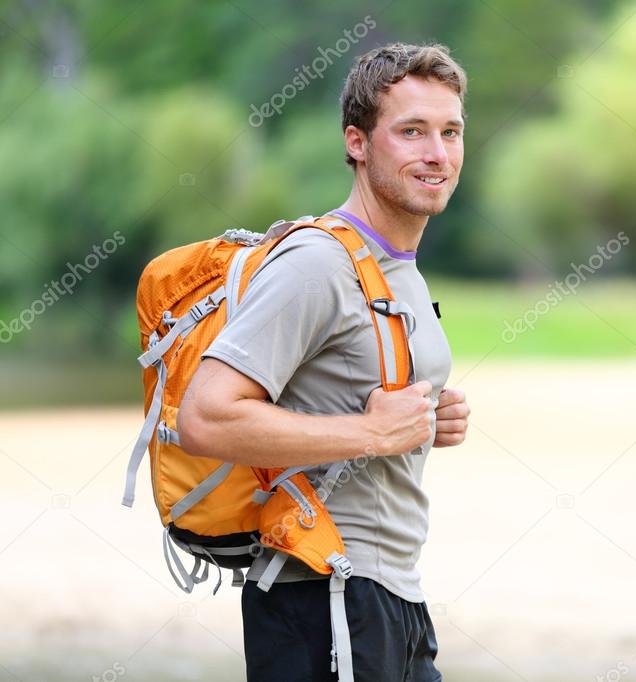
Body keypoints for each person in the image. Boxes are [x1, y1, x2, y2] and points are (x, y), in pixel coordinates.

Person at [177, 42, 471, 681]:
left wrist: (429, 418)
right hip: (324, 590)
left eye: (450, 132)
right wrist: (371, 433)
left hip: (393, 592)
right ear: (358, 143)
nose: (437, 153)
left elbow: (356, 393)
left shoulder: (400, 269)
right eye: (411, 132)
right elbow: (204, 417)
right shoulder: (317, 263)